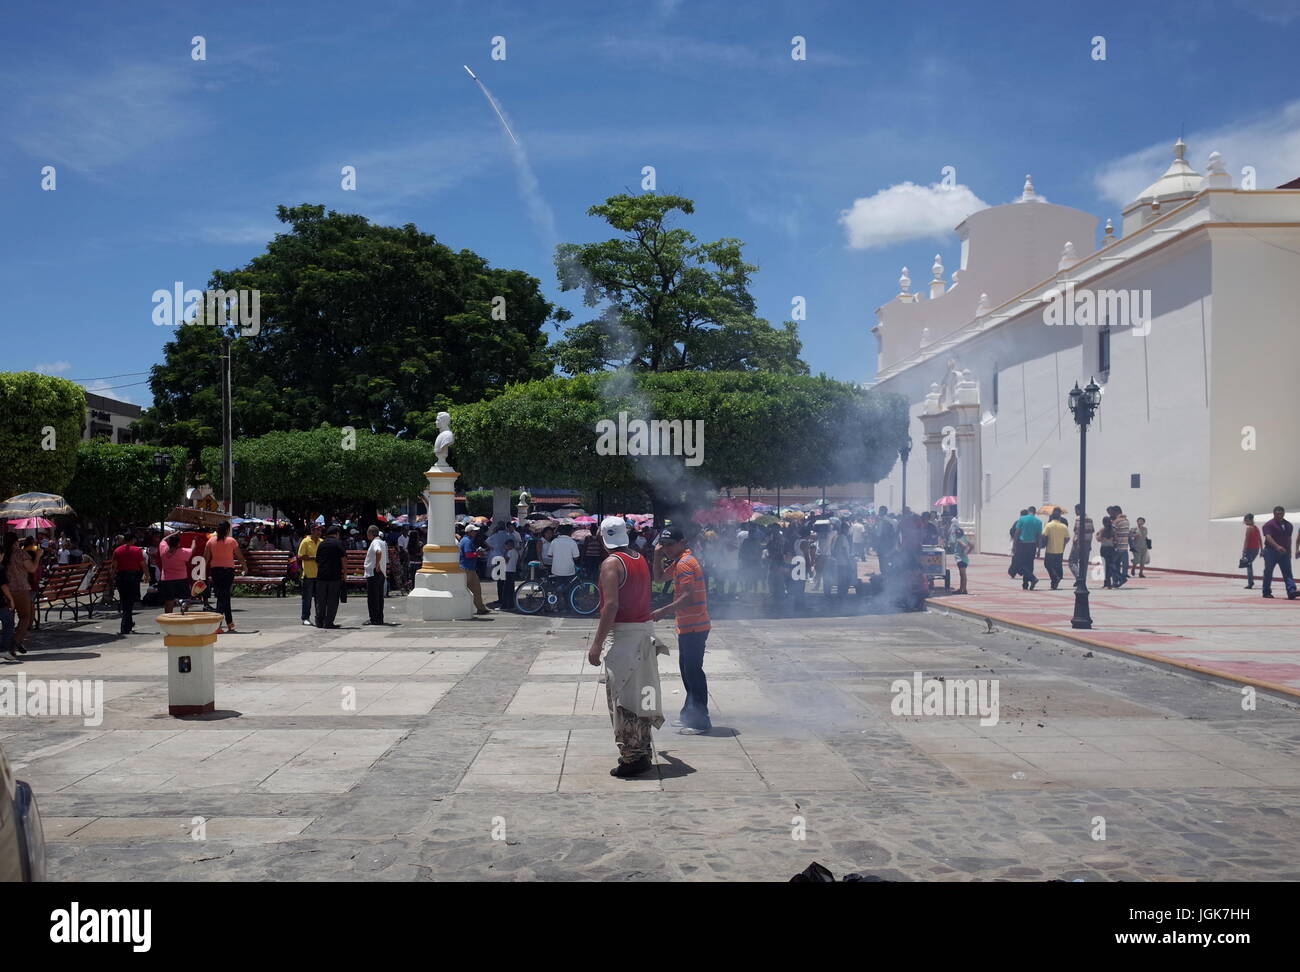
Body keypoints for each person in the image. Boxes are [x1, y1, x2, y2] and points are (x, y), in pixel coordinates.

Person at [587, 516, 663, 778]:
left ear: (603, 538)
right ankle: (641, 750)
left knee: (622, 697)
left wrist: (596, 644)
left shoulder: (611, 563)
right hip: (645, 633)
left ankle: (632, 757)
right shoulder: (638, 558)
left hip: (625, 636)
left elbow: (611, 605)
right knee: (643, 694)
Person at [651, 526, 711, 734]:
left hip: (695, 625)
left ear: (682, 542)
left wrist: (662, 611)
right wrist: (657, 556)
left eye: (670, 545)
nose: (666, 548)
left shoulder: (685, 563)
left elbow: (687, 597)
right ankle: (690, 714)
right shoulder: (679, 562)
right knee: (688, 671)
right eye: (664, 545)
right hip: (688, 626)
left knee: (693, 673)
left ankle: (700, 719)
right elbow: (659, 579)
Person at [204, 521, 246, 633]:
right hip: (228, 571)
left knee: (223, 596)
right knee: (223, 597)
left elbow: (205, 558)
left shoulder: (210, 541)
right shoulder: (231, 541)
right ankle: (217, 625)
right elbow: (239, 556)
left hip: (215, 571)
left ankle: (230, 623)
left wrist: (202, 572)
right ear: (228, 530)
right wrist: (244, 567)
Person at [2, 534, 37, 656]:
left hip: (6, 590)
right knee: (25, 617)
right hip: (21, 589)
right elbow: (32, 569)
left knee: (9, 621)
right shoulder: (21, 554)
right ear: (16, 542)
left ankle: (13, 642)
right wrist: (38, 557)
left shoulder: (4, 555)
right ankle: (15, 642)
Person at [110, 533, 147, 635]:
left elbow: (114, 566)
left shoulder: (117, 551)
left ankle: (129, 623)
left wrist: (112, 577)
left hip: (121, 578)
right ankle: (125, 626)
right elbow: (143, 565)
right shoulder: (137, 550)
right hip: (133, 578)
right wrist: (147, 575)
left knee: (125, 600)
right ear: (133, 540)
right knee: (129, 603)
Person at [1260, 506, 1297, 599]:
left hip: (1285, 553)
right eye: (1278, 513)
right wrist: (1277, 546)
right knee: (1268, 572)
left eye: (1281, 513)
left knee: (1288, 572)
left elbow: (1289, 539)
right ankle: (1266, 592)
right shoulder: (1268, 525)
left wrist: (1290, 551)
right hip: (1270, 552)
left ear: (1284, 513)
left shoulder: (1289, 525)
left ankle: (1291, 591)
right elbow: (1268, 537)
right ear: (1274, 514)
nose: (1280, 515)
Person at [314, 526, 346, 627]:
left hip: (321, 577)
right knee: (332, 601)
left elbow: (317, 561)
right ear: (336, 534)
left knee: (321, 600)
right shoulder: (338, 544)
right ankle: (328, 622)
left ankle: (319, 621)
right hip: (334, 577)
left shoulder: (321, 544)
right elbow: (344, 559)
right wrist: (344, 573)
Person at [157, 531, 195, 615]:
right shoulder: (182, 552)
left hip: (166, 579)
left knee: (169, 601)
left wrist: (174, 534)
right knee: (185, 598)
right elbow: (192, 549)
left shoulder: (163, 548)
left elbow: (163, 539)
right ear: (178, 544)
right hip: (181, 578)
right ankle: (183, 613)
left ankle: (168, 618)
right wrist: (194, 541)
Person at [459, 525, 490, 614]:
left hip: (469, 568)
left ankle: (480, 608)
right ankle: (479, 608)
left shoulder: (466, 540)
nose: (475, 533)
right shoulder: (467, 541)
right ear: (469, 532)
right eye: (474, 531)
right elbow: (468, 555)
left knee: (476, 589)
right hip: (467, 569)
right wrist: (478, 554)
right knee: (471, 589)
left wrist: (477, 554)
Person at [297, 523, 322, 626]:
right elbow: (300, 556)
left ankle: (319, 617)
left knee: (319, 598)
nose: (319, 532)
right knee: (307, 599)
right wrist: (313, 558)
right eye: (317, 530)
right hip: (308, 574)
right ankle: (305, 618)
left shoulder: (322, 542)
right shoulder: (305, 541)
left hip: (319, 574)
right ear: (312, 531)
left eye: (320, 530)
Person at [363, 524, 388, 625]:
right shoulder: (382, 542)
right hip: (380, 572)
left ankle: (374, 618)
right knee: (379, 597)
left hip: (374, 572)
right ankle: (379, 618)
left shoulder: (375, 542)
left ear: (371, 533)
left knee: (373, 597)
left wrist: (377, 564)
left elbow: (378, 552)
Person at [1011, 508, 1042, 589]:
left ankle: (1032, 578)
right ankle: (1025, 584)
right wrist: (1039, 550)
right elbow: (1039, 536)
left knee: (1019, 564)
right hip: (1032, 545)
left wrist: (1014, 545)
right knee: (1029, 565)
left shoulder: (1022, 519)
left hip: (1022, 545)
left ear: (1028, 511)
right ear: (1035, 512)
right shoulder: (1038, 521)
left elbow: (1017, 533)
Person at [1042, 510, 1070, 590]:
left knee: (1047, 565)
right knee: (1057, 566)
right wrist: (1063, 545)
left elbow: (1044, 535)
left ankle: (1055, 578)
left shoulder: (1048, 525)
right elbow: (1067, 538)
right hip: (1060, 550)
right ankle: (1054, 583)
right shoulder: (1063, 526)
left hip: (1050, 549)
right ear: (1059, 517)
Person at [1109, 506, 1131, 587]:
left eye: (1112, 513)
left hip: (1117, 547)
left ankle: (1121, 578)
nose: (1111, 514)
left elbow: (1113, 534)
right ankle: (1116, 581)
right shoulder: (1126, 521)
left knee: (1111, 564)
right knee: (1117, 565)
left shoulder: (1116, 522)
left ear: (1116, 512)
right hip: (1124, 547)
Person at [1242, 514, 1262, 589]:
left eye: (1246, 520)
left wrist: (1244, 550)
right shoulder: (1256, 528)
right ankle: (1251, 582)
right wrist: (1261, 550)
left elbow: (1246, 540)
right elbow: (1260, 539)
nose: (1245, 522)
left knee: (1249, 566)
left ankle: (1250, 583)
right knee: (1249, 565)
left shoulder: (1249, 528)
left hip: (1249, 549)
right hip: (1256, 549)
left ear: (1250, 520)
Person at [498, 539, 519, 611]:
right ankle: (511, 605)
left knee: (505, 590)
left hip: (508, 571)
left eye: (506, 545)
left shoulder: (509, 552)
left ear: (509, 545)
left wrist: (504, 554)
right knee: (510, 590)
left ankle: (504, 606)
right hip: (513, 571)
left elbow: (505, 561)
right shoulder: (516, 552)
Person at [1098, 516, 1117, 589]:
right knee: (1109, 566)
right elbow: (1116, 539)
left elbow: (1099, 539)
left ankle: (1106, 583)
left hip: (1104, 548)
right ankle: (1109, 583)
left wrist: (1097, 535)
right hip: (1111, 548)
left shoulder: (1102, 530)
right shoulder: (1113, 530)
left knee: (1105, 566)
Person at [952, 527, 972, 594]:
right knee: (962, 575)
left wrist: (964, 551)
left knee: (963, 575)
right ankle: (962, 589)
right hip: (964, 559)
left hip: (961, 559)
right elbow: (972, 546)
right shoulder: (964, 538)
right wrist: (967, 552)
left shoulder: (959, 540)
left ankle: (964, 590)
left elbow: (965, 545)